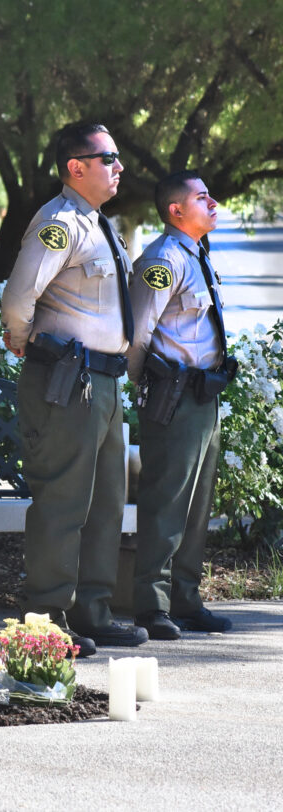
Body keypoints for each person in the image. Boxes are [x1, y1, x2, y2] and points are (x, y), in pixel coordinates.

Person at [0, 122, 149, 656]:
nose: (119, 167)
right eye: (108, 158)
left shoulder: (99, 225)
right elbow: (19, 297)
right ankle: (46, 616)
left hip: (105, 383)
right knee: (63, 501)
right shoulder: (58, 223)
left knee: (106, 503)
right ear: (75, 167)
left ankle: (94, 610)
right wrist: (22, 339)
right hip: (67, 380)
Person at [128, 171, 235, 639]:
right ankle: (152, 605)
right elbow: (137, 337)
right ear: (176, 210)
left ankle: (186, 599)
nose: (213, 203)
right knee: (165, 502)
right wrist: (142, 391)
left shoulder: (197, 254)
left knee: (197, 506)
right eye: (202, 197)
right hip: (173, 397)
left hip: (203, 396)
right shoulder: (163, 260)